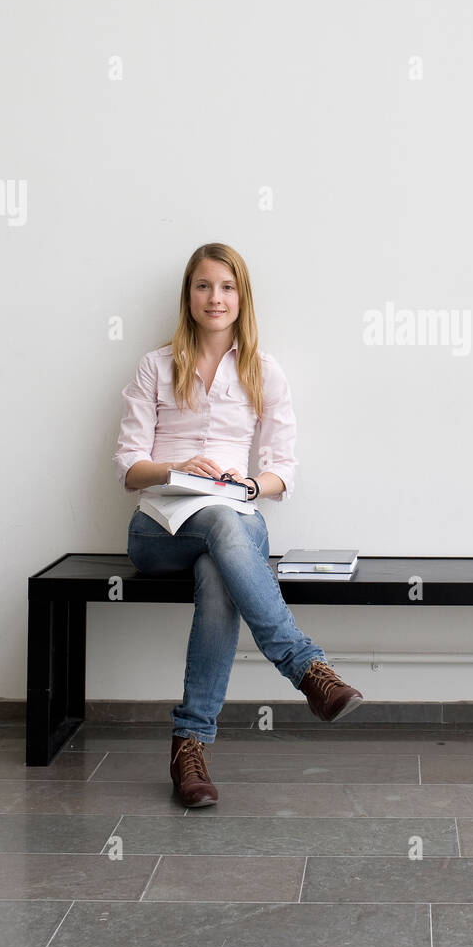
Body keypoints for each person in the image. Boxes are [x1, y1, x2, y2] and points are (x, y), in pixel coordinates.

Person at [113, 241, 363, 807]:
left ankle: (190, 749)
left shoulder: (263, 371)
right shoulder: (156, 366)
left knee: (220, 564)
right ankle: (307, 669)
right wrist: (176, 468)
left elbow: (281, 471)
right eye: (204, 286)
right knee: (221, 534)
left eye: (226, 287)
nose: (215, 297)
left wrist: (247, 485)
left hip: (235, 521)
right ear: (189, 296)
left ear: (241, 297)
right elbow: (129, 468)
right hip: (159, 529)